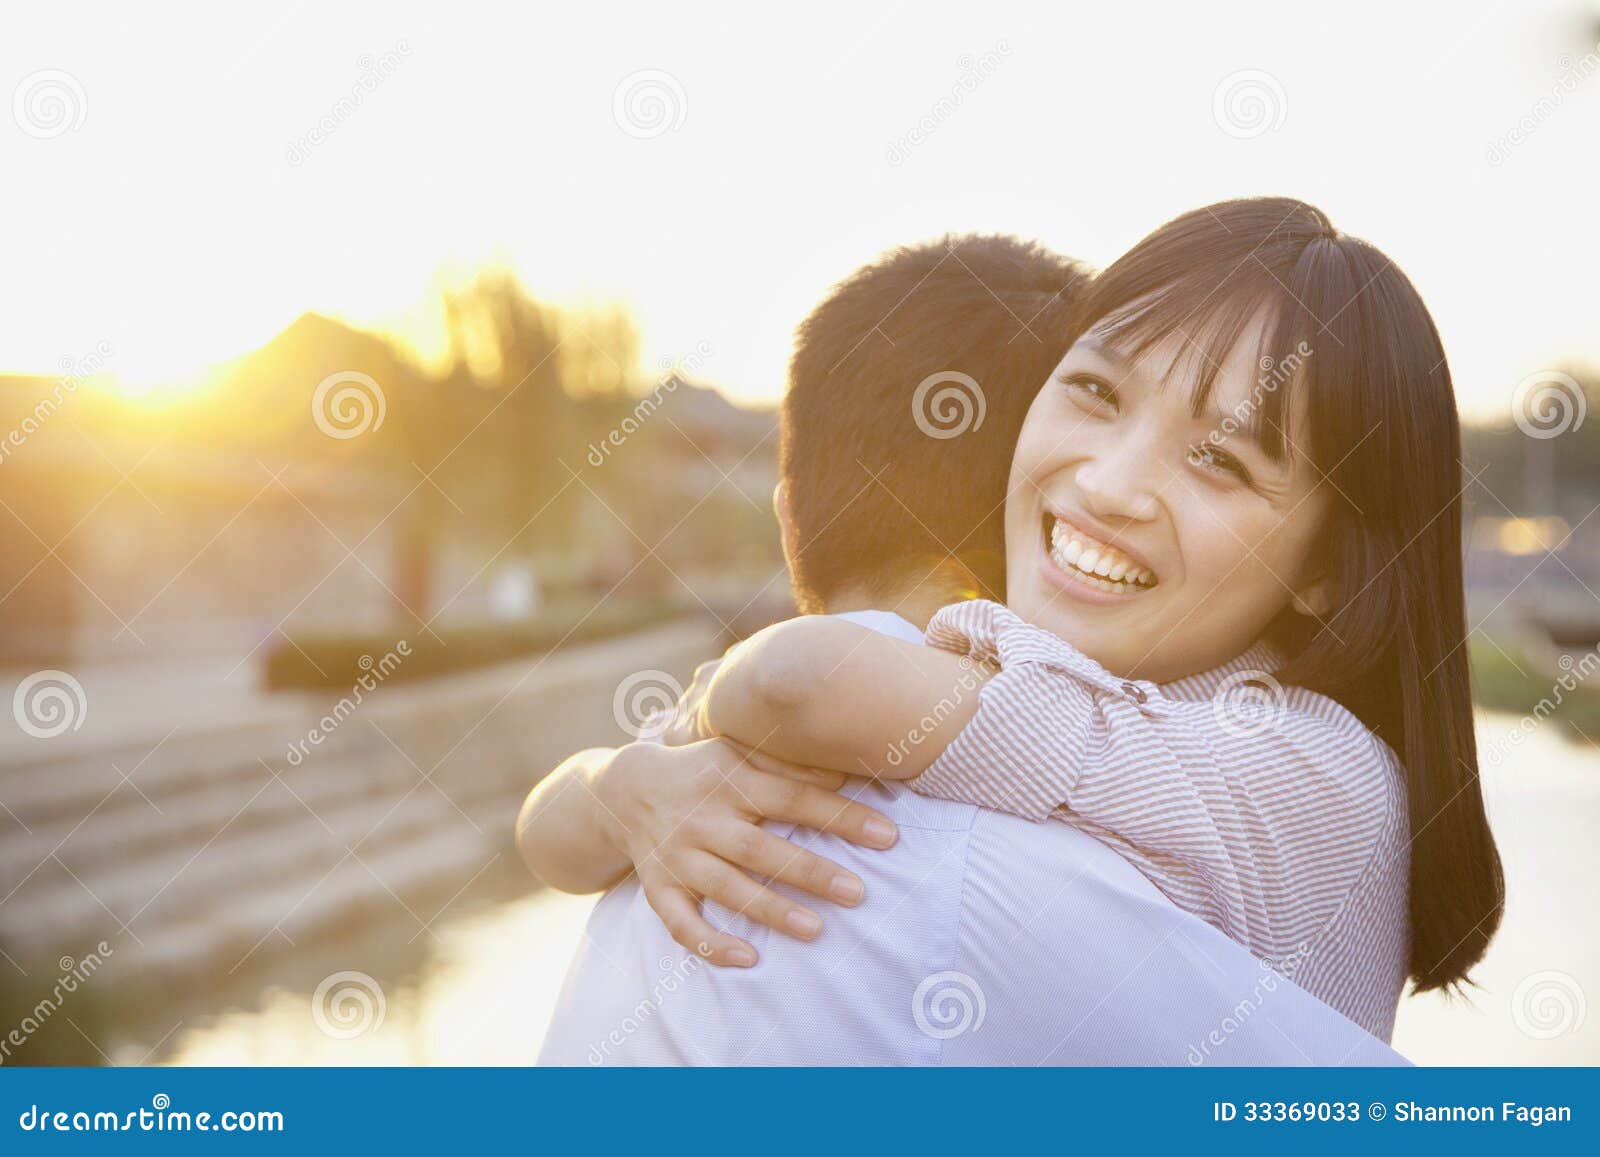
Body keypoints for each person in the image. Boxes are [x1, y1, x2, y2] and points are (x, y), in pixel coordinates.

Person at [519, 229, 1406, 1065]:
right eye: (1097, 395)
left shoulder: (1315, 770)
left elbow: (798, 681)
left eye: (1222, 461)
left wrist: (652, 764)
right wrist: (620, 787)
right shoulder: (881, 761)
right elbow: (553, 827)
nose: (1112, 485)